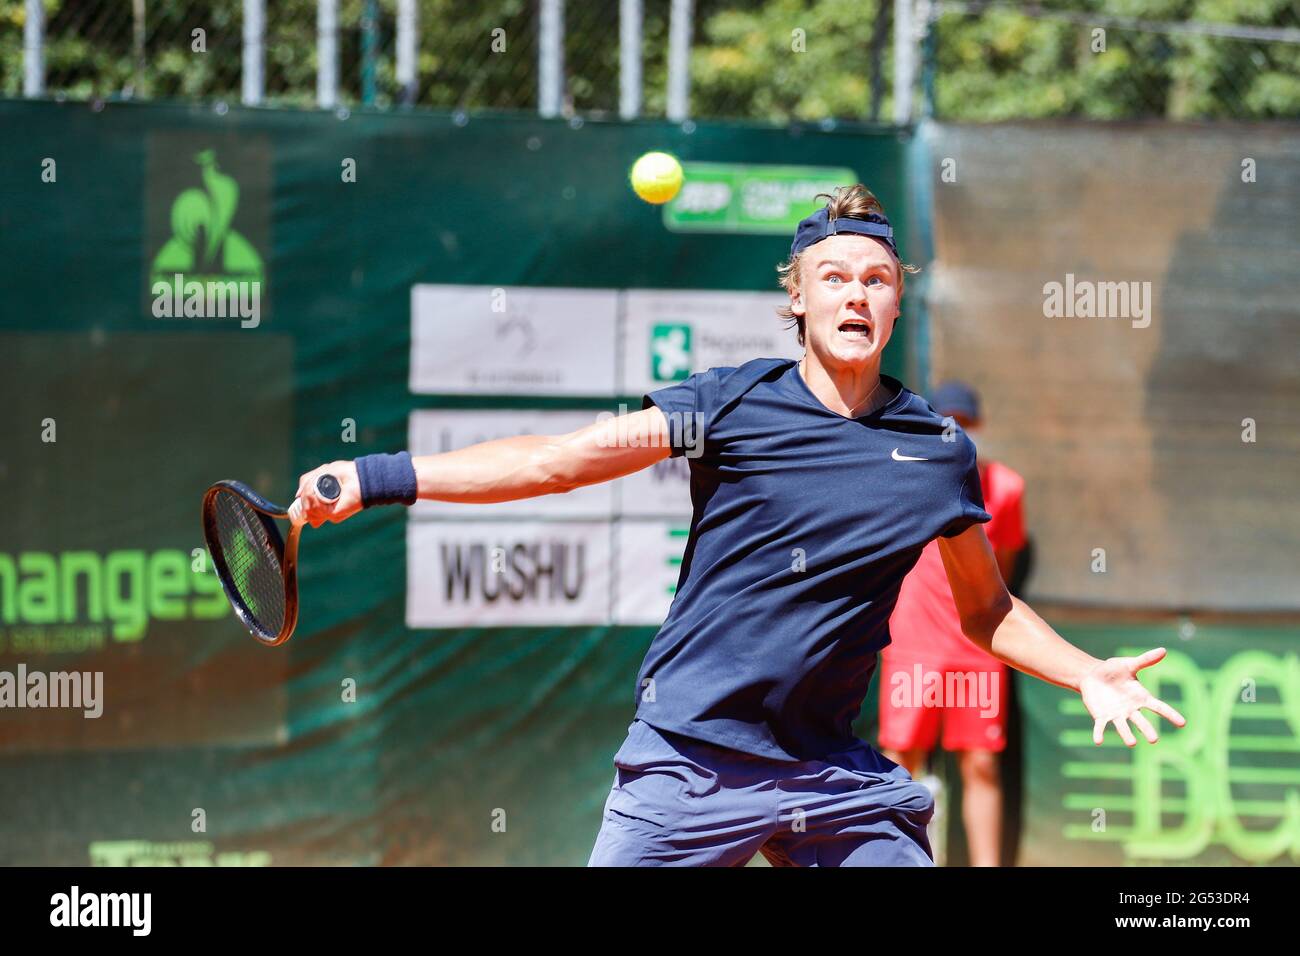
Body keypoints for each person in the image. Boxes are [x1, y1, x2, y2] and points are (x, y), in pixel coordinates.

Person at [292, 185, 1185, 867]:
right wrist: (379, 477)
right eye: (833, 278)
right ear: (796, 299)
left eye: (876, 280)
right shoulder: (726, 407)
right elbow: (559, 459)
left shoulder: (935, 451)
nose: (856, 295)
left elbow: (985, 608)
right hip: (689, 760)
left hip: (831, 775)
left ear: (897, 303)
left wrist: (1086, 673)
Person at [878, 381, 1025, 867]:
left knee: (981, 764)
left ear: (977, 427)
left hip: (980, 647)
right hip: (912, 642)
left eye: (964, 421)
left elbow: (996, 569)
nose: (955, 428)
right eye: (947, 419)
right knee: (901, 761)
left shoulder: (1005, 488)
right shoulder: (904, 480)